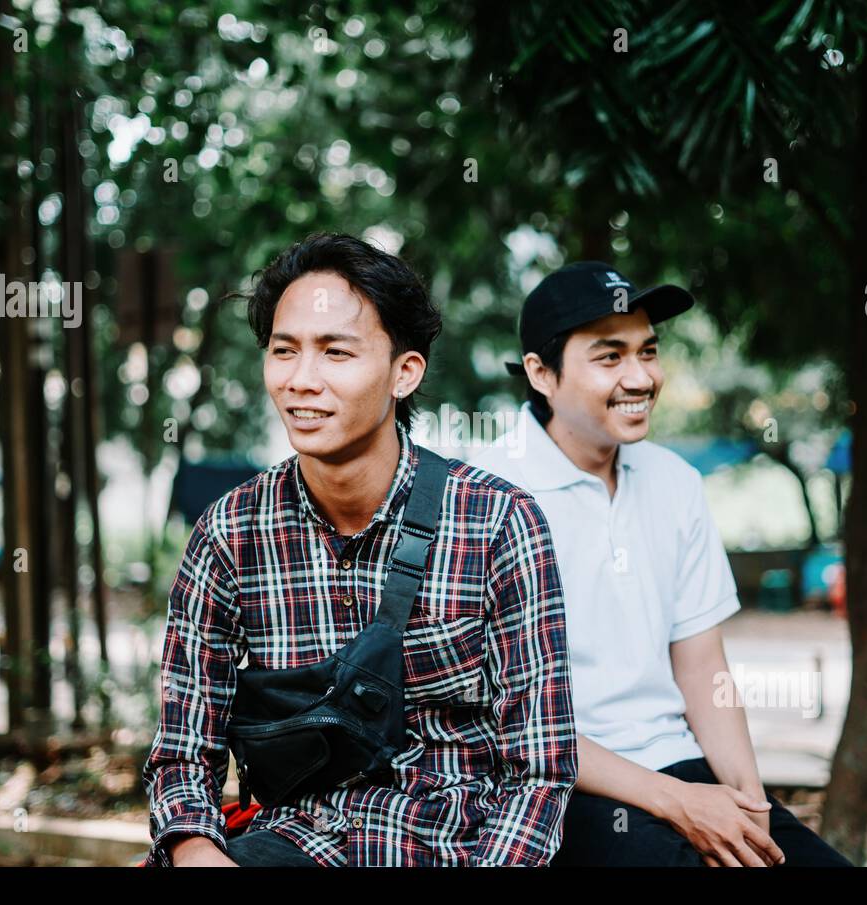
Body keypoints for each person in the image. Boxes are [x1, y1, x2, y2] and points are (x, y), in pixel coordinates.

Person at [142, 233, 576, 866]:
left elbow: (539, 772)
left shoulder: (499, 523)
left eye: (336, 353)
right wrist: (195, 852)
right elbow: (183, 752)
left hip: (454, 849)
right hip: (293, 840)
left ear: (405, 373)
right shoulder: (229, 535)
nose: (301, 380)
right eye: (283, 351)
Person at [472, 261, 851, 866]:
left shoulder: (676, 483)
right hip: (555, 785)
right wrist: (677, 803)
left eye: (648, 351)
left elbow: (703, 667)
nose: (641, 376)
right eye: (609, 356)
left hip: (677, 761)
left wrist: (749, 805)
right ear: (542, 374)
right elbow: (507, 721)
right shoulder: (486, 496)